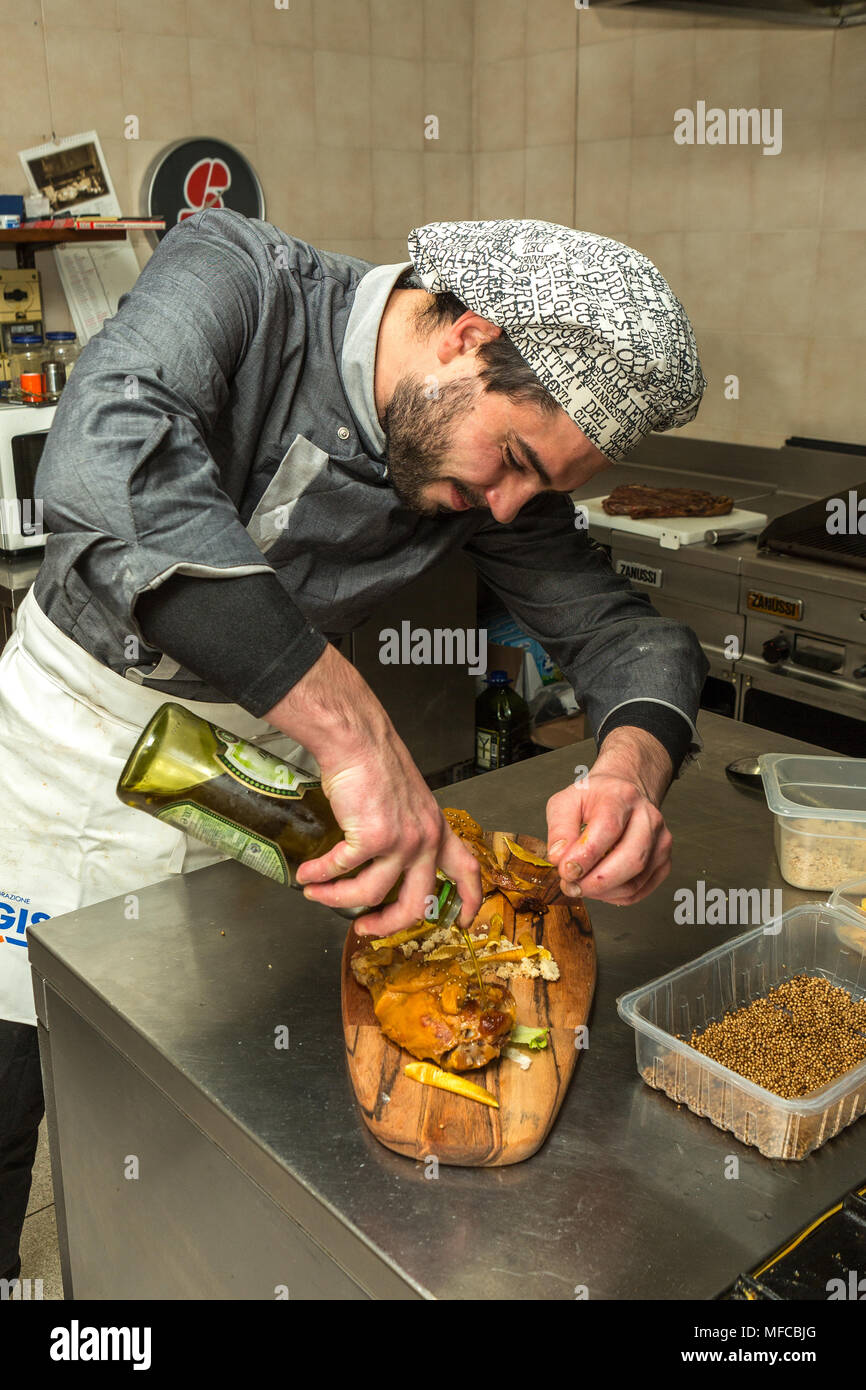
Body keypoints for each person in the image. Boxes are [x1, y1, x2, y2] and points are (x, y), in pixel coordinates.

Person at [0, 214, 708, 1279]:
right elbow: (103, 466)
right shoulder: (238, 277)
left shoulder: (488, 477)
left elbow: (623, 633)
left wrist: (628, 770)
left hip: (265, 776)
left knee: (191, 1092)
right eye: (512, 458)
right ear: (466, 334)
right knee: (10, 1090)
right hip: (65, 746)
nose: (509, 507)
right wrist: (353, 725)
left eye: (540, 489)